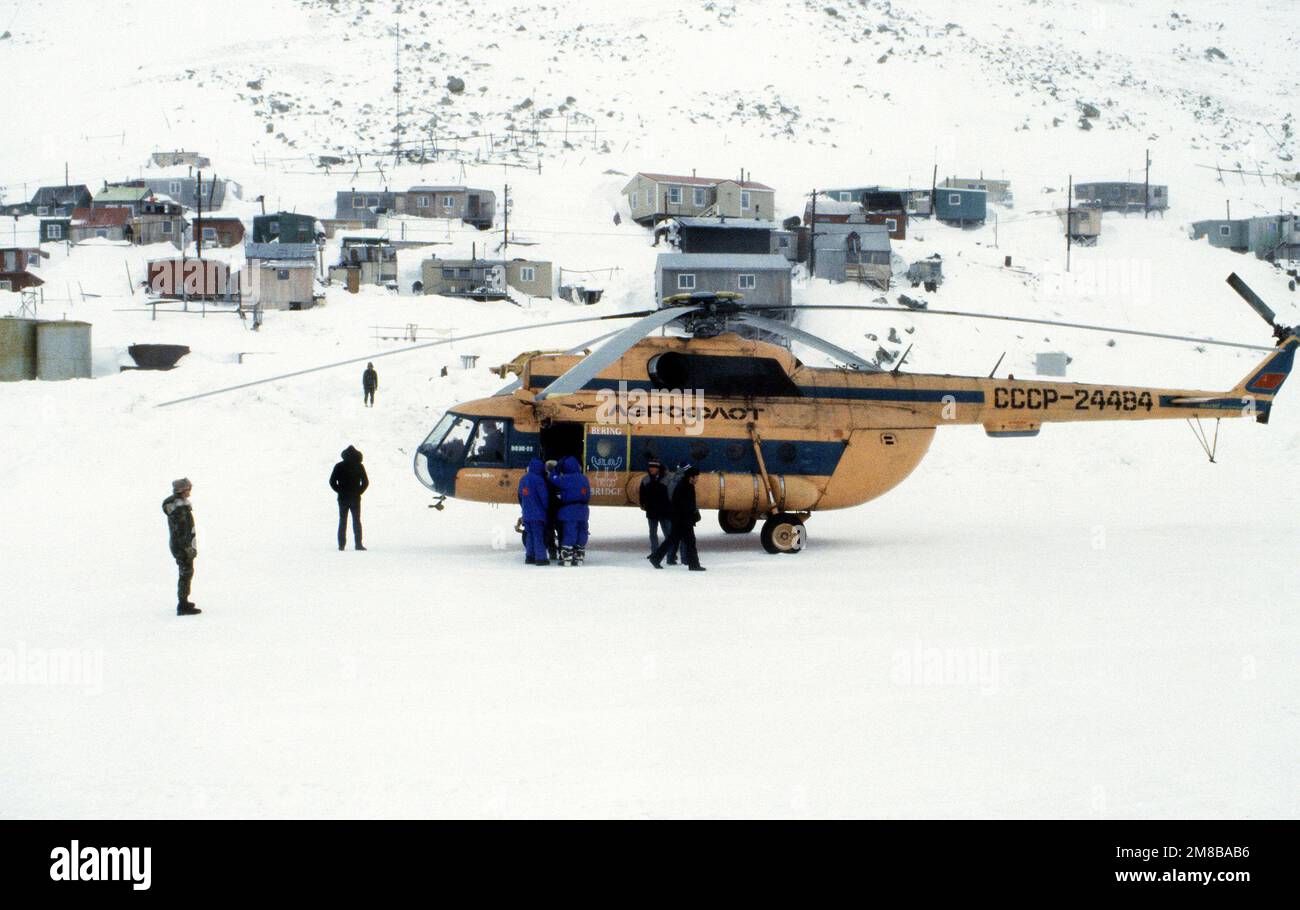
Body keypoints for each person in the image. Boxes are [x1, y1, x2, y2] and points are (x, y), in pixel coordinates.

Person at [649, 465, 704, 571]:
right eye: (696, 477)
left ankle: (656, 558)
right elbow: (680, 504)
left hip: (683, 519)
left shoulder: (688, 485)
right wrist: (689, 516)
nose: (697, 479)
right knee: (688, 541)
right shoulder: (683, 487)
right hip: (682, 520)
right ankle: (694, 564)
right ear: (690, 477)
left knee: (674, 540)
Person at [162, 478, 201, 615]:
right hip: (181, 545)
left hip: (184, 544)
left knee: (187, 572)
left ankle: (184, 600)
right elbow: (182, 529)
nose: (190, 491)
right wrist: (186, 547)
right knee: (186, 572)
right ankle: (182, 603)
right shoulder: (177, 506)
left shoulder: (181, 505)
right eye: (188, 488)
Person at [329, 445, 370, 551]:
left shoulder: (339, 466)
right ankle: (358, 544)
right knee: (357, 521)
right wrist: (359, 492)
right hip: (355, 497)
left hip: (342, 497)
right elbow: (365, 482)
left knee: (342, 520)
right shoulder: (359, 466)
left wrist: (339, 490)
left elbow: (332, 482)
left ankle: (341, 545)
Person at [552, 455, 591, 566]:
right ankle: (579, 554)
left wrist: (556, 469)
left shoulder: (565, 479)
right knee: (582, 531)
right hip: (583, 510)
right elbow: (588, 494)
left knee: (570, 532)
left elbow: (552, 479)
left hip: (569, 509)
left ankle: (567, 556)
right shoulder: (584, 478)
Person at [639, 459, 677, 565]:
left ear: (658, 468)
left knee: (668, 534)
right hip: (651, 511)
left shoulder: (667, 479)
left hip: (665, 510)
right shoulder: (646, 479)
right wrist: (644, 504)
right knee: (653, 533)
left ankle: (671, 554)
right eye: (650, 467)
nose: (651, 469)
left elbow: (671, 494)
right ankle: (655, 552)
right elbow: (642, 494)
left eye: (653, 467)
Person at [518, 458, 550, 566]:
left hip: (526, 513)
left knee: (529, 535)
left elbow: (520, 495)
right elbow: (544, 497)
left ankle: (529, 556)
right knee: (538, 536)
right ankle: (541, 558)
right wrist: (546, 508)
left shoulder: (523, 479)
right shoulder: (539, 480)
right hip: (538, 514)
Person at [543, 459, 560, 561]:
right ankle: (563, 551)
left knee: (549, 531)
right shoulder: (560, 479)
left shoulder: (543, 480)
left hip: (548, 510)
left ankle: (552, 550)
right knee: (561, 531)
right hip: (559, 509)